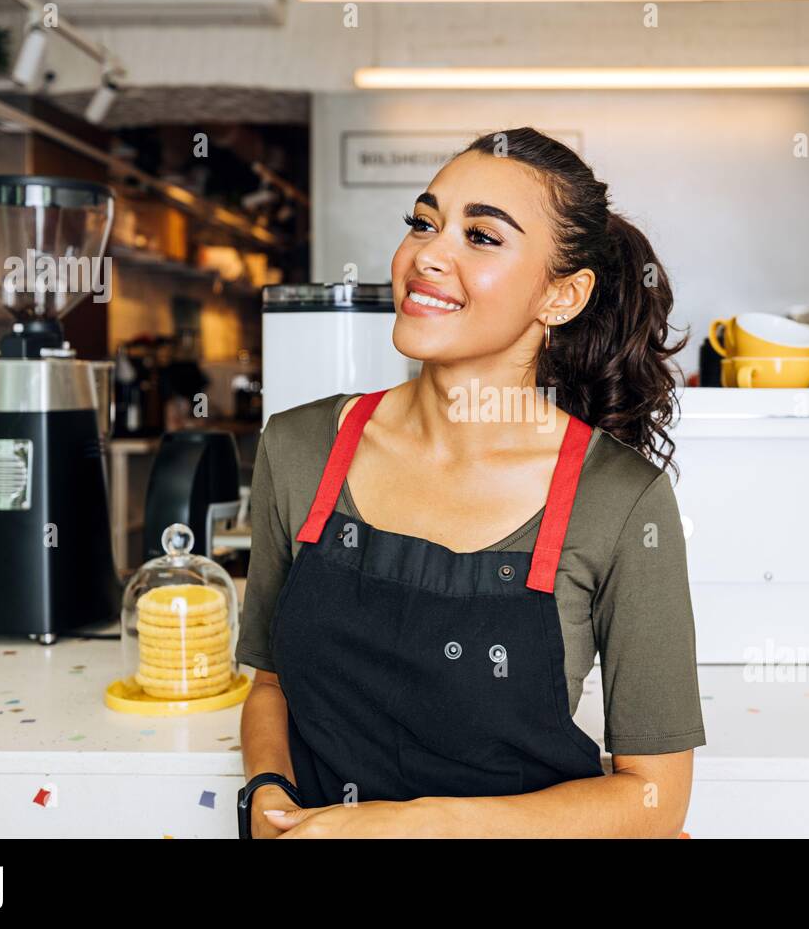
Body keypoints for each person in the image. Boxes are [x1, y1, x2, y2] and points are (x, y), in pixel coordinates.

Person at [238, 127, 704, 837]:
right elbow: (271, 683)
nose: (428, 254)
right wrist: (267, 794)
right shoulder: (300, 447)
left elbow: (655, 798)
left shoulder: (618, 499)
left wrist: (414, 826)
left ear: (563, 294)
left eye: (481, 236)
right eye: (424, 223)